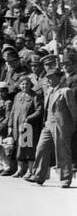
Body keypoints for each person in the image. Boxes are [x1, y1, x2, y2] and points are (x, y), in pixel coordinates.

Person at [27, 57, 76, 187]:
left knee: (62, 151)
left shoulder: (66, 91)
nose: (47, 80)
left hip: (62, 125)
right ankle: (38, 175)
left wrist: (73, 127)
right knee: (41, 149)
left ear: (57, 77)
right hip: (48, 124)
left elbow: (73, 111)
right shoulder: (49, 90)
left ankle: (65, 178)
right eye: (47, 77)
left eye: (50, 77)